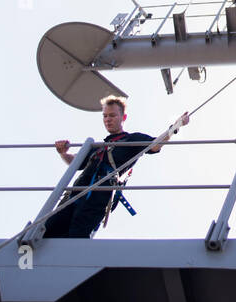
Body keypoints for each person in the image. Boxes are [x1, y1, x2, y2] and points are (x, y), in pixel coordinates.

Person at [45, 94, 189, 239]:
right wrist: (63, 153)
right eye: (105, 116)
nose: (108, 119)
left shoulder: (131, 140)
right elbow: (75, 162)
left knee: (77, 236)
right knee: (46, 230)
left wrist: (175, 127)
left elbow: (156, 145)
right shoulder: (97, 147)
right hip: (74, 194)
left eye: (112, 115)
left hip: (98, 197)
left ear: (123, 118)